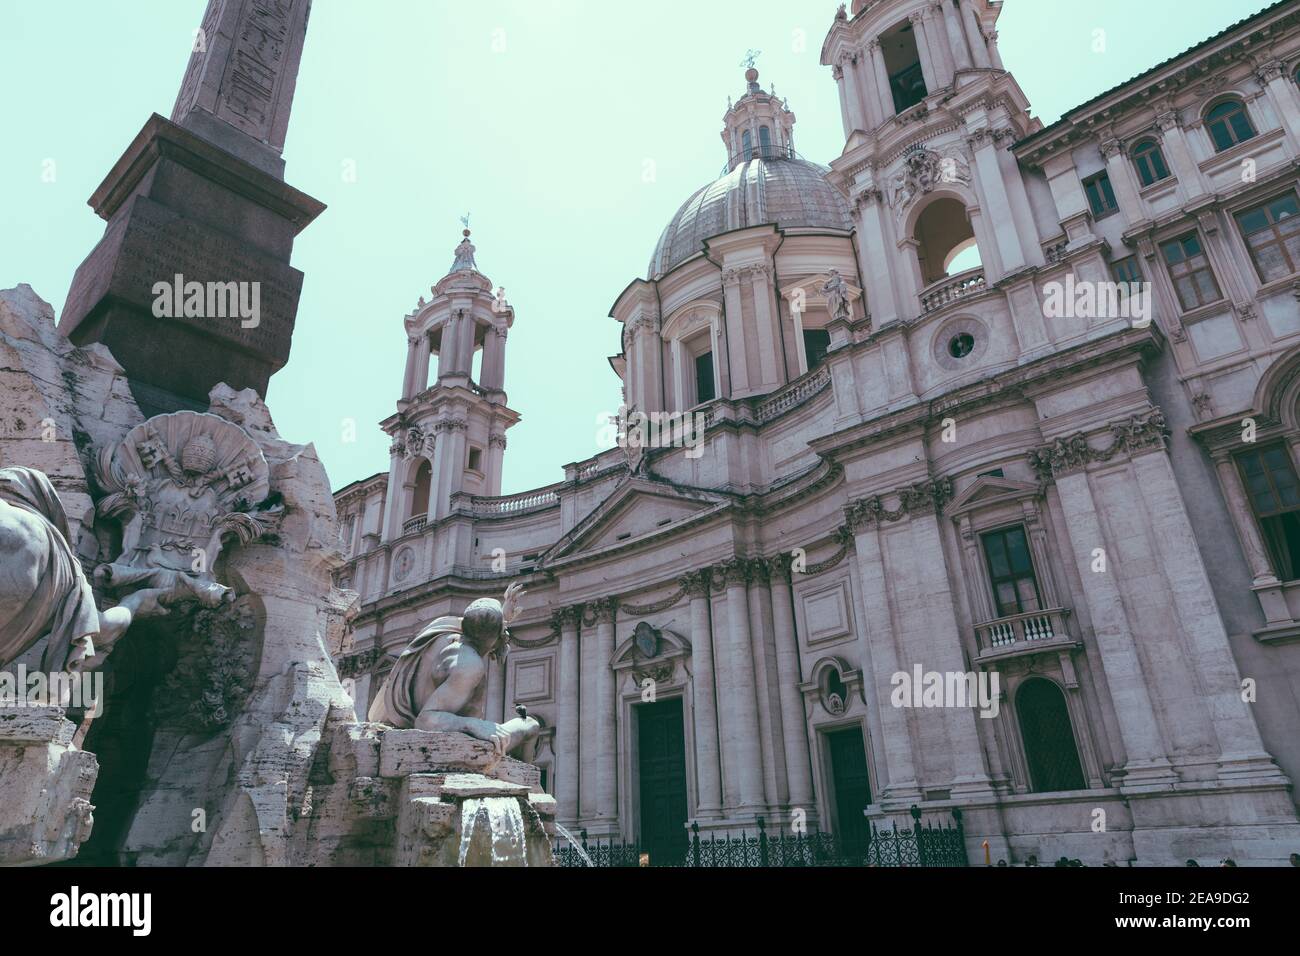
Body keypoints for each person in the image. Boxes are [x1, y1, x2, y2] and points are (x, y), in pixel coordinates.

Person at [368, 583, 539, 756]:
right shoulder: (469, 665)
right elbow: (425, 720)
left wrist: (501, 618)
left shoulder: (441, 632)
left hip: (426, 728)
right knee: (530, 725)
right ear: (497, 637)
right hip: (452, 742)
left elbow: (480, 627)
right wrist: (475, 725)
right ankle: (514, 777)